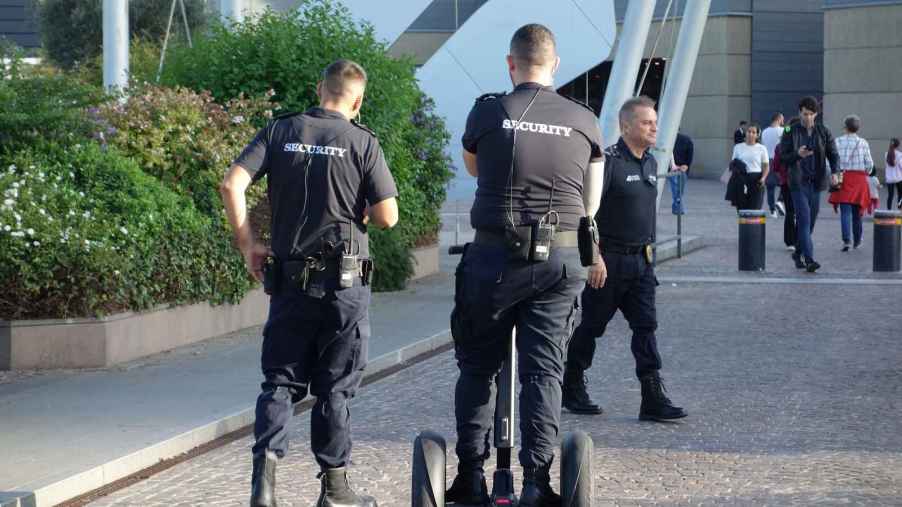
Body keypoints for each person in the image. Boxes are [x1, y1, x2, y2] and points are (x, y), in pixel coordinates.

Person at [220, 59, 399, 507]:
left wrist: (249, 245)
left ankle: (264, 489)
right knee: (334, 388)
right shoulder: (362, 141)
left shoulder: (280, 131)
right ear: (357, 101)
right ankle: (335, 491)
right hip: (344, 286)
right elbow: (388, 217)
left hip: (290, 282)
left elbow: (231, 185)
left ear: (319, 89)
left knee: (279, 382)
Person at [448, 24, 607, 506]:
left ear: (510, 64)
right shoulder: (585, 119)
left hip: (495, 256)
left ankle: (472, 477)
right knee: (543, 371)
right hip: (559, 260)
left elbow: (474, 168)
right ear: (555, 65)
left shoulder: (488, 110)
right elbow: (591, 204)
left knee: (478, 367)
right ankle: (537, 482)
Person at [562, 96, 687, 424]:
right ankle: (571, 384)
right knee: (591, 326)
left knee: (646, 327)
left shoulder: (651, 163)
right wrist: (594, 258)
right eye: (647, 123)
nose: (654, 128)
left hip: (641, 264)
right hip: (609, 264)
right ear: (626, 126)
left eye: (655, 123)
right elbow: (586, 212)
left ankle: (652, 396)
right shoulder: (609, 163)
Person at [779, 96, 840, 273]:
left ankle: (798, 253)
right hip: (797, 183)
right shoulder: (790, 130)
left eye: (811, 114)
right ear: (800, 112)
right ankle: (810, 259)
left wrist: (835, 172)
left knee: (810, 223)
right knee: (804, 220)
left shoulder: (823, 131)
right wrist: (797, 154)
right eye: (805, 114)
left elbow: (833, 154)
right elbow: (783, 157)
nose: (808, 118)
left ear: (816, 114)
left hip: (816, 183)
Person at [828, 114, 874, 251]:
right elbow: (869, 165)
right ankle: (858, 240)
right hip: (859, 181)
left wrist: (833, 174)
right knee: (858, 212)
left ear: (845, 127)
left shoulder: (837, 141)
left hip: (843, 179)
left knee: (845, 212)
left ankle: (846, 240)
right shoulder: (863, 143)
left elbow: (830, 161)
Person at [730, 123, 770, 210]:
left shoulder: (762, 148)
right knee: (742, 210)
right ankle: (744, 224)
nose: (751, 134)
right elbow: (733, 163)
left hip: (757, 180)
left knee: (755, 209)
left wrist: (763, 178)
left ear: (757, 135)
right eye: (749, 131)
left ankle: (754, 224)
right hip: (741, 181)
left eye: (753, 132)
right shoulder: (738, 147)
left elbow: (766, 166)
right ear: (745, 133)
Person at [772, 124, 797, 250]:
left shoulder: (779, 146)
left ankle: (790, 242)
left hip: (786, 183)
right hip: (802, 183)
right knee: (800, 212)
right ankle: (798, 239)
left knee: (790, 212)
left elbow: (775, 166)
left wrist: (782, 177)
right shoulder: (805, 144)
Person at [761, 113, 786, 217]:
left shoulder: (764, 131)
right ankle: (780, 201)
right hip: (780, 160)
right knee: (785, 184)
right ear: (779, 119)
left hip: (767, 161)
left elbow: (763, 145)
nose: (783, 121)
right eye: (782, 119)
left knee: (770, 187)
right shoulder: (783, 130)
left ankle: (772, 211)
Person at [668, 130, 693, 215]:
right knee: (679, 190)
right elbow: (690, 153)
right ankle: (678, 209)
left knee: (676, 189)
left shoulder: (667, 139)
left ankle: (677, 208)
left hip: (673, 168)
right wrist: (687, 165)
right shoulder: (687, 139)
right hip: (683, 168)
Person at [886, 138, 902, 210]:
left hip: (889, 178)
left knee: (890, 196)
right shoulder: (900, 155)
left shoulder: (886, 154)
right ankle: (899, 209)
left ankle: (888, 211)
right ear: (898, 145)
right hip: (899, 178)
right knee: (900, 194)